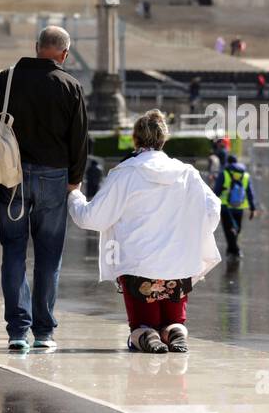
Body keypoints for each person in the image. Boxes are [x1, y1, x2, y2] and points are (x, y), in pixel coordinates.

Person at [68, 109, 221, 354]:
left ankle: (146, 336)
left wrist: (74, 195)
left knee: (142, 324)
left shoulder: (126, 173)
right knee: (174, 320)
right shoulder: (187, 173)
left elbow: (92, 218)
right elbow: (213, 207)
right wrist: (194, 233)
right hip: (178, 268)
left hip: (138, 270)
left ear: (135, 139)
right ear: (164, 139)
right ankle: (174, 333)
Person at [0, 26, 88, 353]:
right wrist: (75, 179)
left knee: (13, 251)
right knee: (48, 256)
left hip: (11, 178)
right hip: (55, 177)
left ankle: (17, 330)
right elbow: (79, 139)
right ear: (64, 54)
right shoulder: (70, 86)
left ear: (36, 47)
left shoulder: (3, 80)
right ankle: (43, 332)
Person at [214, 153, 257, 258]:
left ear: (228, 162)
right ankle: (231, 251)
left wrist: (212, 206)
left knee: (229, 230)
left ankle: (235, 250)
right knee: (236, 230)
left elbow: (216, 191)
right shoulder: (246, 175)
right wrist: (252, 208)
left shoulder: (224, 173)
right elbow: (250, 193)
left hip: (225, 207)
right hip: (239, 207)